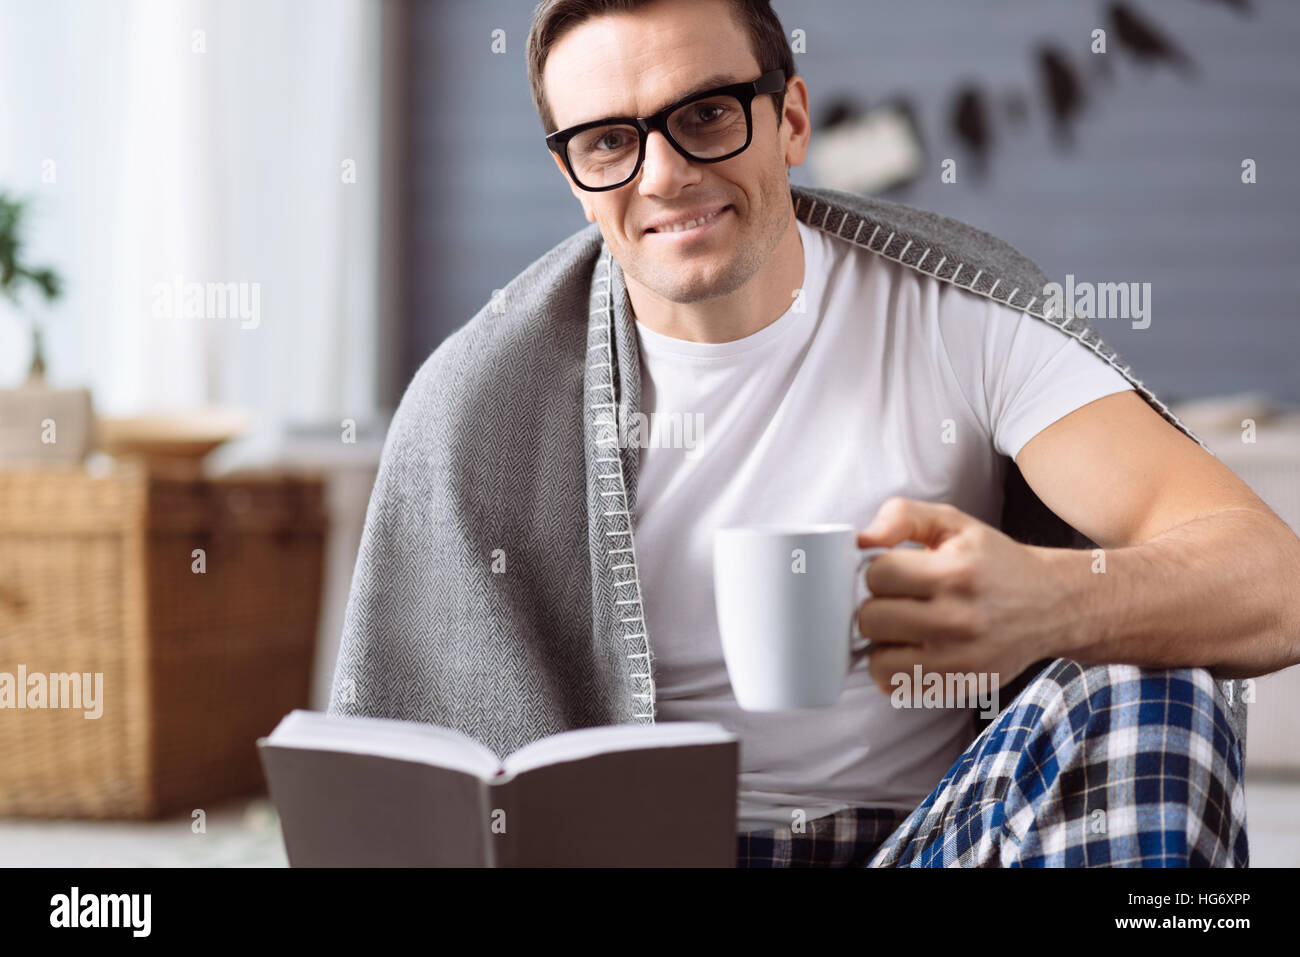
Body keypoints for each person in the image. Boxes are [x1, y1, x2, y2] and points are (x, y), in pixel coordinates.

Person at [329, 0, 1300, 866]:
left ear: (789, 118)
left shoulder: (955, 318)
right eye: (608, 142)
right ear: (573, 175)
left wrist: (1053, 600)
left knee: (1151, 676)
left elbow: (1272, 580)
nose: (663, 175)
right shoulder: (479, 395)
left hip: (939, 832)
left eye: (704, 115)